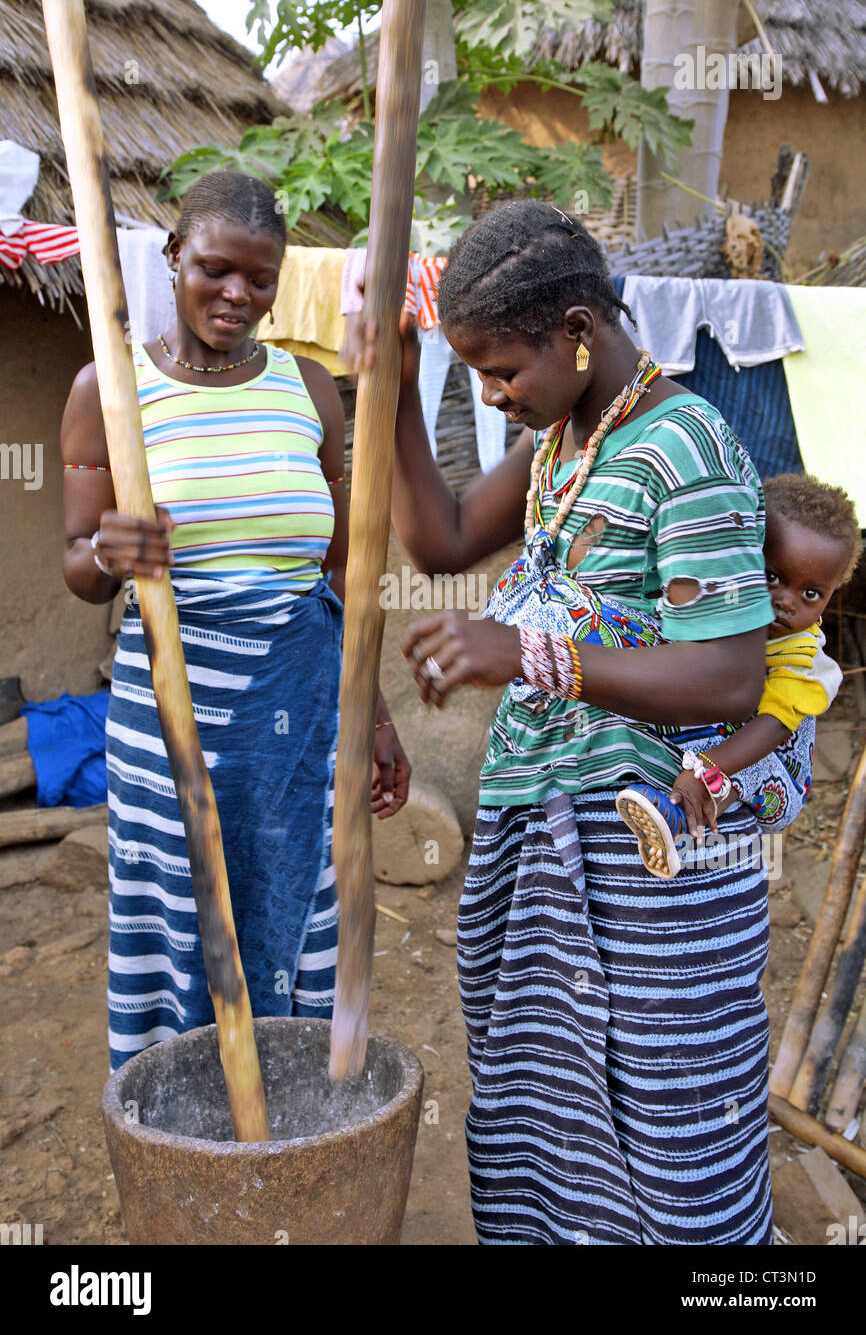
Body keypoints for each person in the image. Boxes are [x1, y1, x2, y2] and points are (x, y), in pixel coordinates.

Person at [350, 198, 784, 1244]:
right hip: (547, 823)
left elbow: (729, 675)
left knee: (667, 1109)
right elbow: (444, 537)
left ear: (577, 331)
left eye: (501, 371)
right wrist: (399, 394)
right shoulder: (565, 441)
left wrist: (530, 652)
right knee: (544, 1098)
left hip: (653, 855)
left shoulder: (682, 443)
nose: (494, 397)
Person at [61, 171, 410, 1071]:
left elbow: (337, 573)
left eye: (261, 279)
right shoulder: (112, 388)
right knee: (179, 924)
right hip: (170, 714)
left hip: (299, 715)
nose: (237, 296)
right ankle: (182, 1127)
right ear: (173, 257)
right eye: (215, 270)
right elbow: (77, 567)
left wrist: (371, 714)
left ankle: (291, 1115)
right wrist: (111, 550)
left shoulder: (308, 390)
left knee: (298, 911)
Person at [616, 473, 861, 876]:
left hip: (776, 776)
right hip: (727, 739)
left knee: (736, 762)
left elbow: (773, 730)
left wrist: (704, 771)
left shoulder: (802, 659)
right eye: (771, 576)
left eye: (811, 594)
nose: (786, 602)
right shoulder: (716, 598)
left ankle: (677, 817)